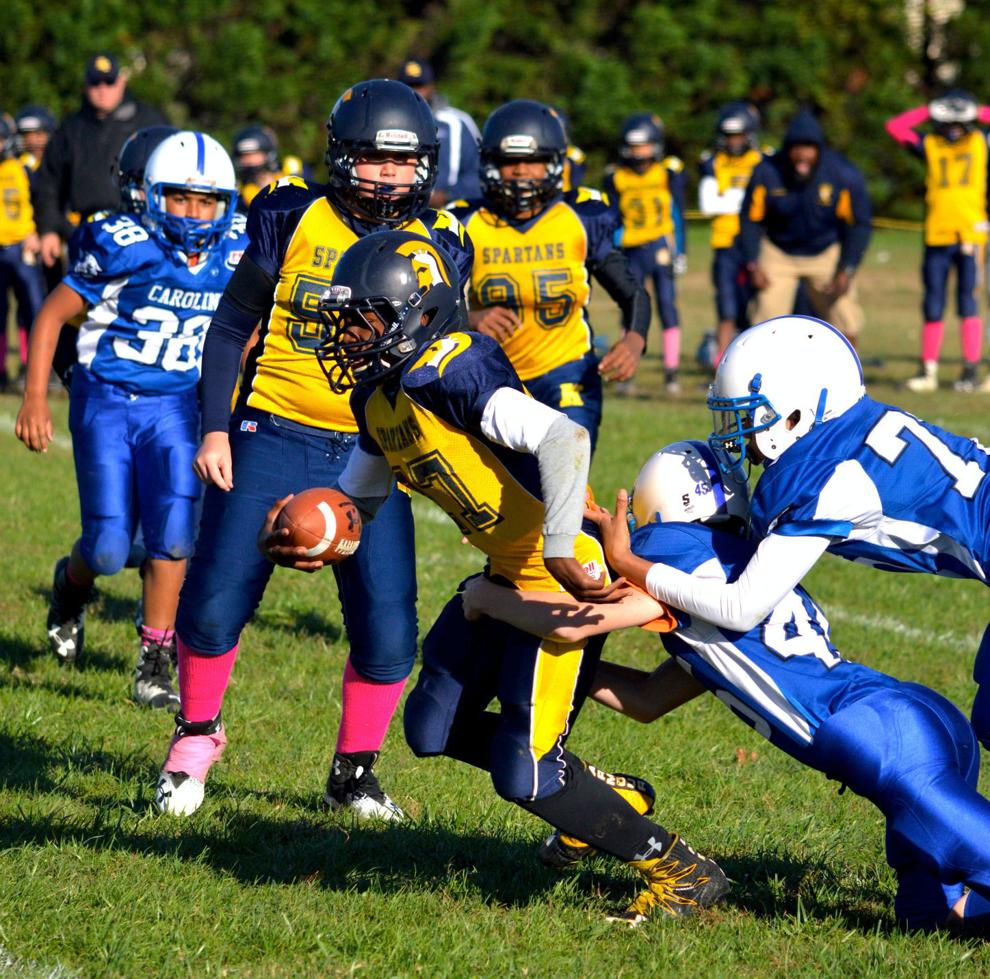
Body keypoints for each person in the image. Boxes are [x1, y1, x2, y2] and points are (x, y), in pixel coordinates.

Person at [311, 229, 729, 925]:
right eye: (345, 321)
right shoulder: (377, 397)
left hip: (563, 576)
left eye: (364, 318)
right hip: (507, 569)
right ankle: (600, 799)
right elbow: (358, 500)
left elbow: (564, 437)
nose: (349, 335)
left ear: (416, 312)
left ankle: (682, 868)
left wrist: (565, 544)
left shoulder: (454, 367)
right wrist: (315, 530)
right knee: (432, 726)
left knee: (525, 771)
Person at [463, 439, 990, 933]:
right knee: (927, 919)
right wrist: (580, 669)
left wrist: (489, 598)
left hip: (876, 740)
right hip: (914, 717)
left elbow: (575, 621)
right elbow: (648, 699)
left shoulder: (670, 554)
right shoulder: (740, 571)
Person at [153, 79, 473, 822]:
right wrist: (214, 428)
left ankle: (354, 770)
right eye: (373, 158)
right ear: (342, 155)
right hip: (276, 427)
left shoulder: (445, 238)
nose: (389, 175)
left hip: (375, 448)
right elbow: (233, 325)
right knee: (212, 604)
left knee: (390, 630)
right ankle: (193, 739)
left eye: (403, 161)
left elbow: (448, 362)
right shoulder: (291, 212)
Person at [628, 315, 990, 740]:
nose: (736, 438)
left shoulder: (821, 474)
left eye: (749, 417)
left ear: (797, 413)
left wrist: (630, 564)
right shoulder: (852, 428)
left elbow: (740, 608)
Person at [15, 131, 244, 712]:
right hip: (108, 401)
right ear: (149, 195)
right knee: (111, 546)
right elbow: (50, 317)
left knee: (173, 533)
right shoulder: (123, 244)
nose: (194, 213)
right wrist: (36, 397)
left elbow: (244, 338)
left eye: (206, 200)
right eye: (180, 198)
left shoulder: (234, 255)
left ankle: (154, 659)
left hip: (177, 406)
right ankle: (71, 583)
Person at [449, 100, 649, 451]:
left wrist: (634, 340)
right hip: (492, 376)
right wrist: (470, 317)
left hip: (566, 371)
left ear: (555, 162)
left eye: (534, 160)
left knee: (565, 469)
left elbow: (631, 292)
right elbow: (428, 305)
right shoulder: (466, 221)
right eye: (511, 161)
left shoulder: (580, 217)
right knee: (508, 496)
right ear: (492, 162)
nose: (522, 171)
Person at [885, 90, 990, 393]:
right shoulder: (930, 144)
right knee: (933, 303)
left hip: (971, 235)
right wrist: (930, 109)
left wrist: (974, 110)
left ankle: (970, 369)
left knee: (968, 302)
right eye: (949, 120)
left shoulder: (980, 142)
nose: (954, 127)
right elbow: (896, 127)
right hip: (937, 233)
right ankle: (927, 369)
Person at [739, 110, 871, 347]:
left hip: (824, 250)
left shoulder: (842, 173)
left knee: (845, 316)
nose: (802, 155)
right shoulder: (767, 172)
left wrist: (847, 269)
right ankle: (763, 378)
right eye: (796, 147)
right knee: (764, 322)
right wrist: (753, 263)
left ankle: (845, 377)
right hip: (778, 250)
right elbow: (749, 219)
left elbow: (859, 225)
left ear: (819, 149)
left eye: (809, 147)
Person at [31, 53, 168, 273]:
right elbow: (49, 184)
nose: (102, 89)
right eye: (95, 83)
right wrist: (48, 230)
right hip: (86, 233)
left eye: (109, 82)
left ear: (121, 82)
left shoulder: (150, 122)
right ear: (86, 85)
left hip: (144, 230)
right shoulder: (70, 129)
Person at [604, 113, 686, 393]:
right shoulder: (617, 177)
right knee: (631, 307)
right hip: (631, 248)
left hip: (660, 245)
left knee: (667, 304)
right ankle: (627, 370)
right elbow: (612, 217)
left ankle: (672, 371)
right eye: (634, 146)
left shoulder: (668, 172)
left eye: (644, 145)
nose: (639, 152)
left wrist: (681, 250)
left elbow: (678, 213)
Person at [698, 102, 767, 361]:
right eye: (729, 136)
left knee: (758, 306)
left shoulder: (762, 160)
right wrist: (744, 199)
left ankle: (756, 363)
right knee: (726, 308)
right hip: (725, 240)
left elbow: (766, 201)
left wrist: (728, 198)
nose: (734, 141)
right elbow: (708, 205)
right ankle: (721, 366)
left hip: (756, 242)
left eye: (738, 135)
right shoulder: (713, 162)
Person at [0, 114, 46, 392]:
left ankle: (33, 369)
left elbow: (43, 202)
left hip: (22, 248)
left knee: (33, 309)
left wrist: (38, 232)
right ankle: (2, 371)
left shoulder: (23, 169)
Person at [397, 58, 482, 206]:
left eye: (419, 86)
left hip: (448, 212)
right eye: (408, 86)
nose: (414, 92)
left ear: (432, 86)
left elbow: (478, 171)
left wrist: (447, 196)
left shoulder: (457, 122)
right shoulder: (385, 121)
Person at [230, 124, 309, 211]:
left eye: (254, 154)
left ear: (267, 153)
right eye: (244, 156)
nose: (249, 160)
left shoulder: (293, 171)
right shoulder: (239, 194)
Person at [15, 105, 57, 172]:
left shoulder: (59, 164)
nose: (32, 141)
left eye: (38, 134)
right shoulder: (14, 167)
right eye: (26, 135)